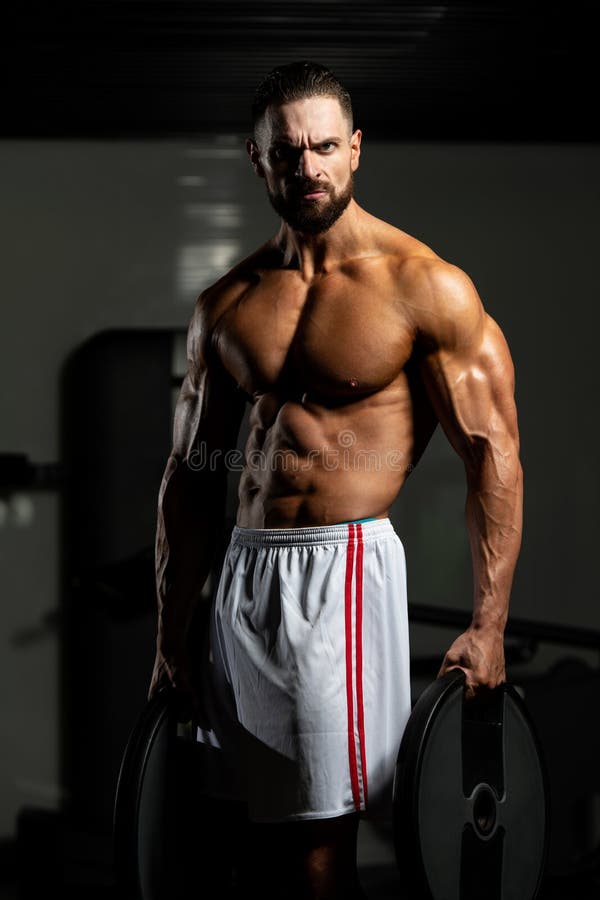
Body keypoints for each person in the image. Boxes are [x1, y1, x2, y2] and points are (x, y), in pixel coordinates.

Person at [148, 60, 523, 899]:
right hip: (240, 578)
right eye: (289, 151)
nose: (307, 166)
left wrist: (488, 625)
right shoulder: (226, 302)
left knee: (318, 845)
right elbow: (188, 477)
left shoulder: (424, 288)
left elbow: (492, 455)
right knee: (236, 831)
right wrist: (172, 633)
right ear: (258, 158)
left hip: (340, 575)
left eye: (325, 147)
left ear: (355, 151)